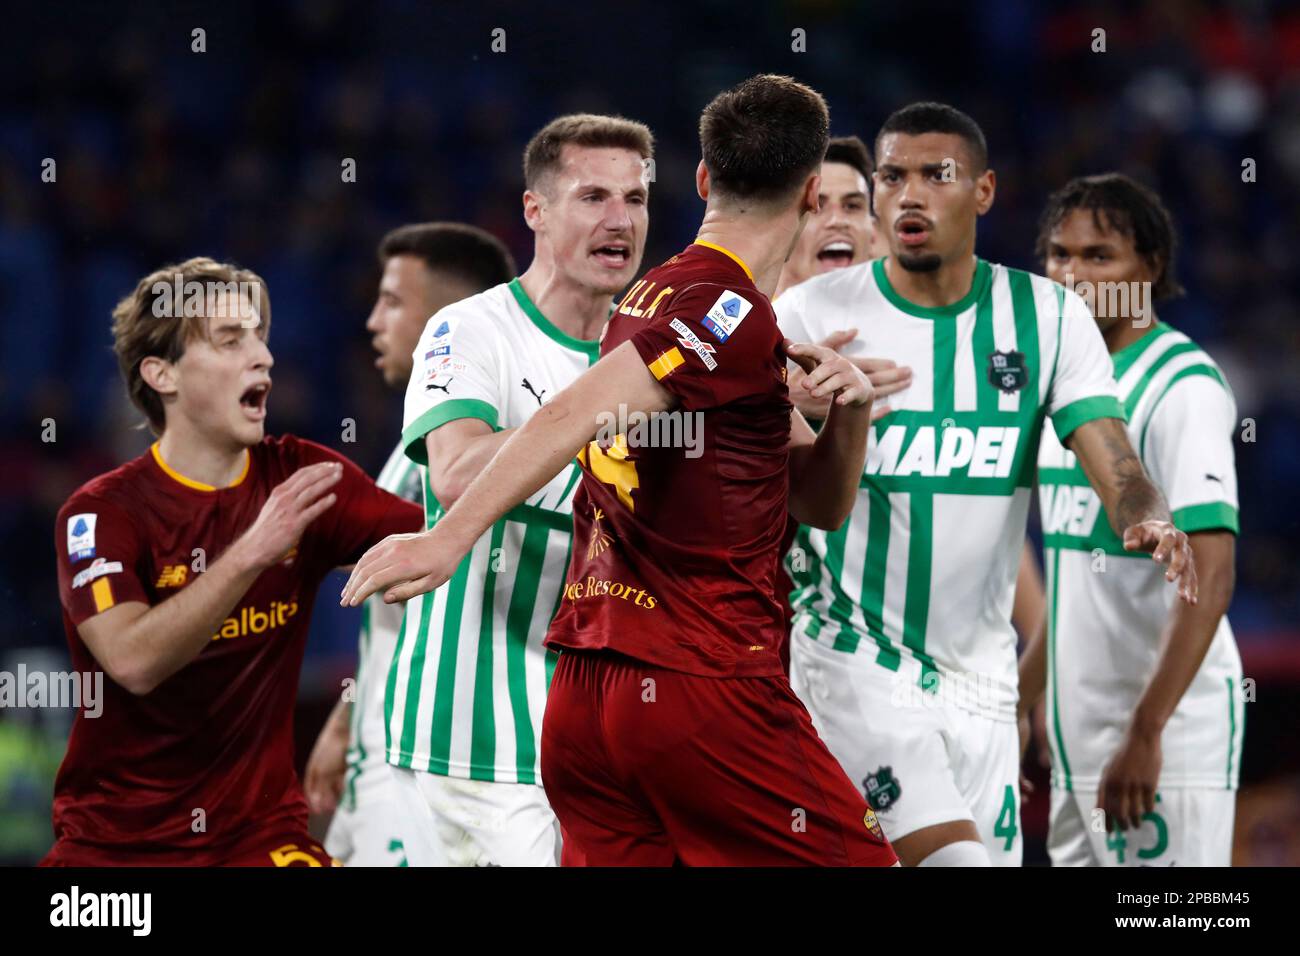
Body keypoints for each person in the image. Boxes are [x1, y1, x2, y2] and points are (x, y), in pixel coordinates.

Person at [341, 74, 898, 867]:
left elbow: (817, 502)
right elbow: (576, 412)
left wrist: (853, 410)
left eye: (632, 198)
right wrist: (446, 541)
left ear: (703, 181)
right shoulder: (719, 312)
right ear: (813, 194)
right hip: (702, 684)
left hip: (586, 698)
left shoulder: (654, 299)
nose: (620, 219)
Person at [773, 102, 1197, 866]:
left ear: (985, 190)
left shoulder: (1049, 316)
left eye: (937, 175)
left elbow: (1116, 457)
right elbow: (762, 484)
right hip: (850, 656)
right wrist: (796, 412)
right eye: (892, 175)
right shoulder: (809, 314)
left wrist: (1149, 515)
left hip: (983, 683)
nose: (909, 194)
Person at [45, 257, 423, 866]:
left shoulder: (301, 478)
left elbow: (442, 542)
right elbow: (134, 660)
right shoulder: (99, 515)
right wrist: (253, 550)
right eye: (230, 341)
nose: (263, 358)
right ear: (161, 374)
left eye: (259, 337)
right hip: (114, 852)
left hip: (258, 839)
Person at [377, 114, 654, 866]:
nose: (621, 220)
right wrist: (599, 422)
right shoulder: (469, 331)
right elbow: (458, 473)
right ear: (535, 210)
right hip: (475, 737)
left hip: (607, 733)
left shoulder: (656, 351)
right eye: (593, 196)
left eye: (635, 198)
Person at [1017, 173, 1242, 866]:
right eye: (1059, 254)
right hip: (1079, 731)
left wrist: (1147, 733)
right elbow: (1077, 575)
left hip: (1163, 735)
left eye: (1098, 256)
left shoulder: (1183, 385)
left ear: (1149, 267)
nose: (1072, 274)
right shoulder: (1066, 387)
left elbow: (1213, 574)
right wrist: (1027, 699)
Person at [303, 223, 516, 866]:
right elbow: (399, 618)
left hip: (435, 758)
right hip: (381, 751)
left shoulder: (490, 451)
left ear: (452, 319)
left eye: (393, 301)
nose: (373, 321)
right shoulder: (413, 446)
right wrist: (345, 721)